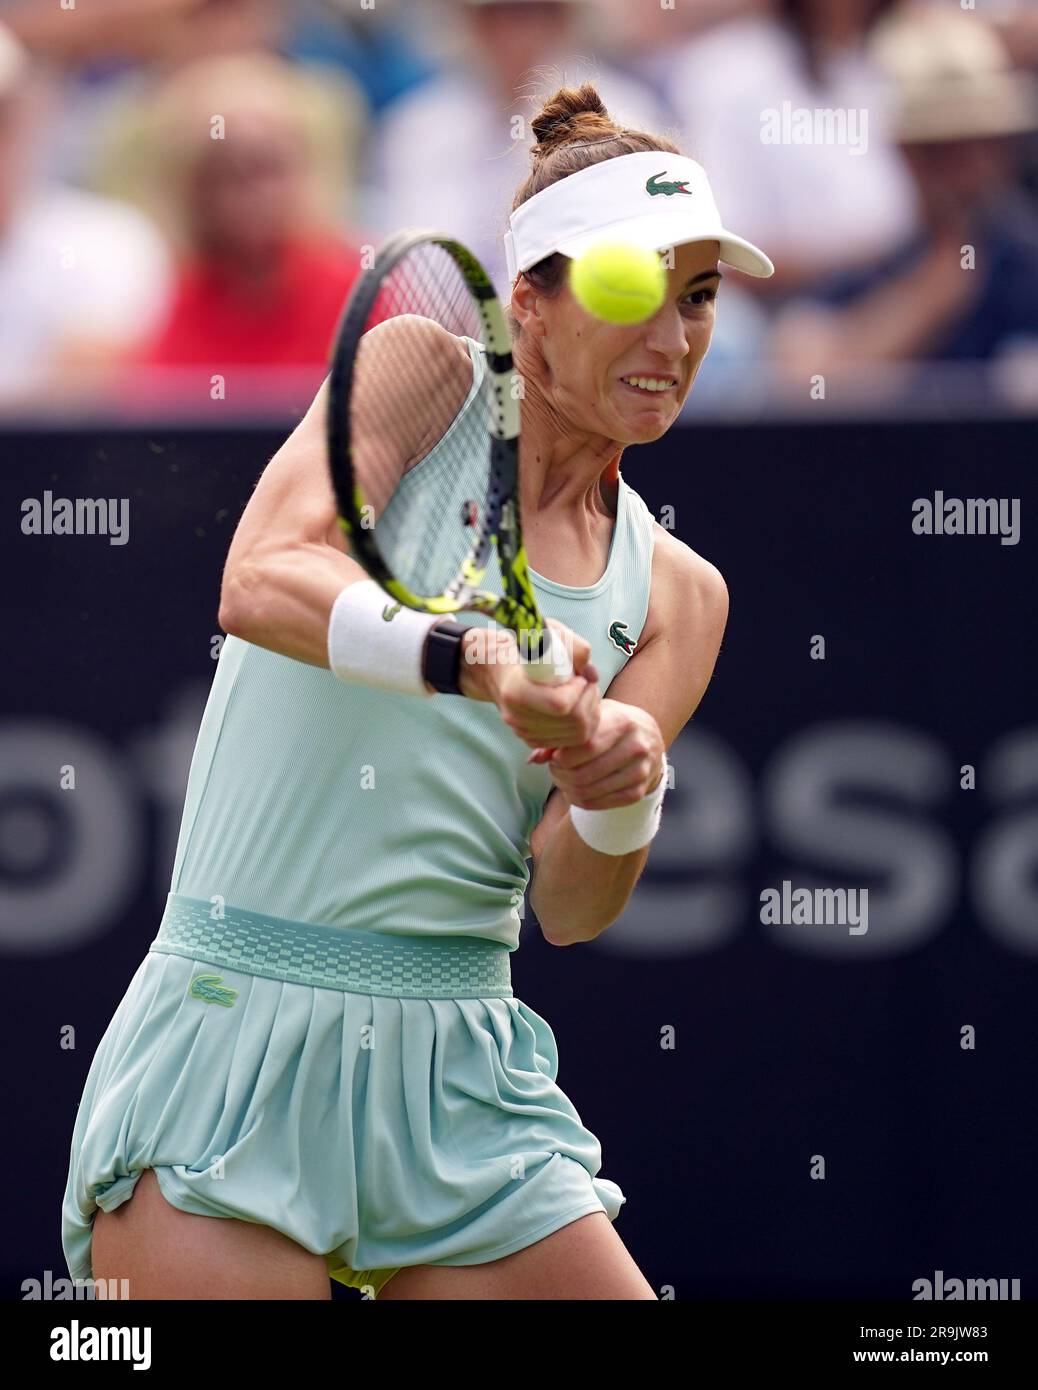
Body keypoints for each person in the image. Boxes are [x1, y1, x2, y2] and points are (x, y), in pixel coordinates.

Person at [61, 82, 773, 1300]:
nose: (672, 338)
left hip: (465, 1087)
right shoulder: (421, 372)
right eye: (630, 290)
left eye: (698, 296)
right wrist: (477, 660)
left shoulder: (681, 599)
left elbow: (573, 903)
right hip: (239, 1035)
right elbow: (261, 578)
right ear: (531, 306)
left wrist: (618, 791)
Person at [769, 8, 1038, 391]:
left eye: (983, 143)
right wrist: (934, 289)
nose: (968, 167)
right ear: (907, 153)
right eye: (942, 149)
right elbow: (804, 379)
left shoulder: (1025, 259)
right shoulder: (877, 254)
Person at [370, 0, 670, 296]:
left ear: (563, 19)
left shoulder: (625, 117)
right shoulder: (416, 128)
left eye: (531, 13)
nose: (512, 33)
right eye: (494, 15)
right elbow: (408, 265)